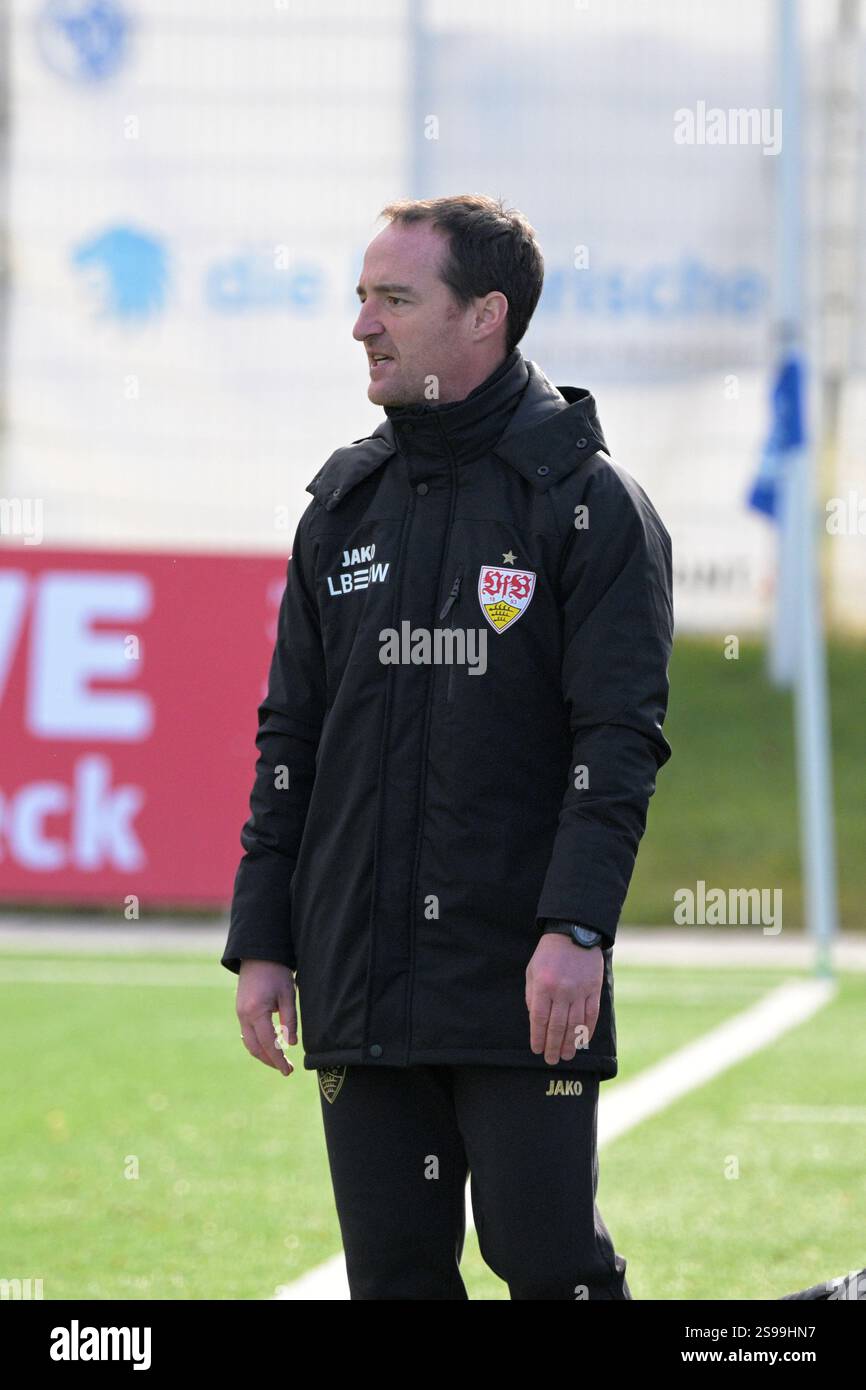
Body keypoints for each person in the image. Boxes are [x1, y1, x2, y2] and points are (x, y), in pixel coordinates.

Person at [221, 193, 674, 1300]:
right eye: (361, 299)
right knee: (392, 1275)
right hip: (357, 967)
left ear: (485, 316)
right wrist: (264, 936)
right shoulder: (341, 506)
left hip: (519, 970)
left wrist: (575, 926)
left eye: (393, 299)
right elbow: (292, 734)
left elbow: (613, 738)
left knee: (547, 1262)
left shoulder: (587, 503)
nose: (363, 326)